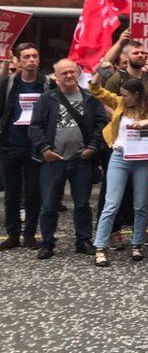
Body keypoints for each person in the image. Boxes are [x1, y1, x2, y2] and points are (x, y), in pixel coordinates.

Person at [31, 59, 109, 260]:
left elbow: (102, 124)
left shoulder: (90, 98)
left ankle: (83, 240)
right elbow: (35, 126)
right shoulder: (47, 99)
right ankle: (47, 243)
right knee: (48, 205)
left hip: (81, 160)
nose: (68, 76)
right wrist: (45, 149)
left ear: (77, 73)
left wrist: (92, 147)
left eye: (72, 72)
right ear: (56, 77)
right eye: (63, 73)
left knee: (82, 204)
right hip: (53, 161)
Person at [88, 76, 148, 266]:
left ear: (137, 94)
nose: (122, 98)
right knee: (112, 203)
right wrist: (98, 73)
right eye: (121, 95)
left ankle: (137, 244)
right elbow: (96, 90)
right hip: (120, 157)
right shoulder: (119, 103)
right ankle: (100, 247)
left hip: (143, 160)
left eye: (126, 95)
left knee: (140, 205)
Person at [0, 43, 47, 250]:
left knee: (33, 192)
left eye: (35, 56)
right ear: (18, 61)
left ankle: (29, 234)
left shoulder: (46, 84)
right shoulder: (7, 84)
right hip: (11, 145)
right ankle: (12, 234)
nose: (31, 60)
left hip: (36, 146)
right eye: (26, 57)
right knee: (11, 193)